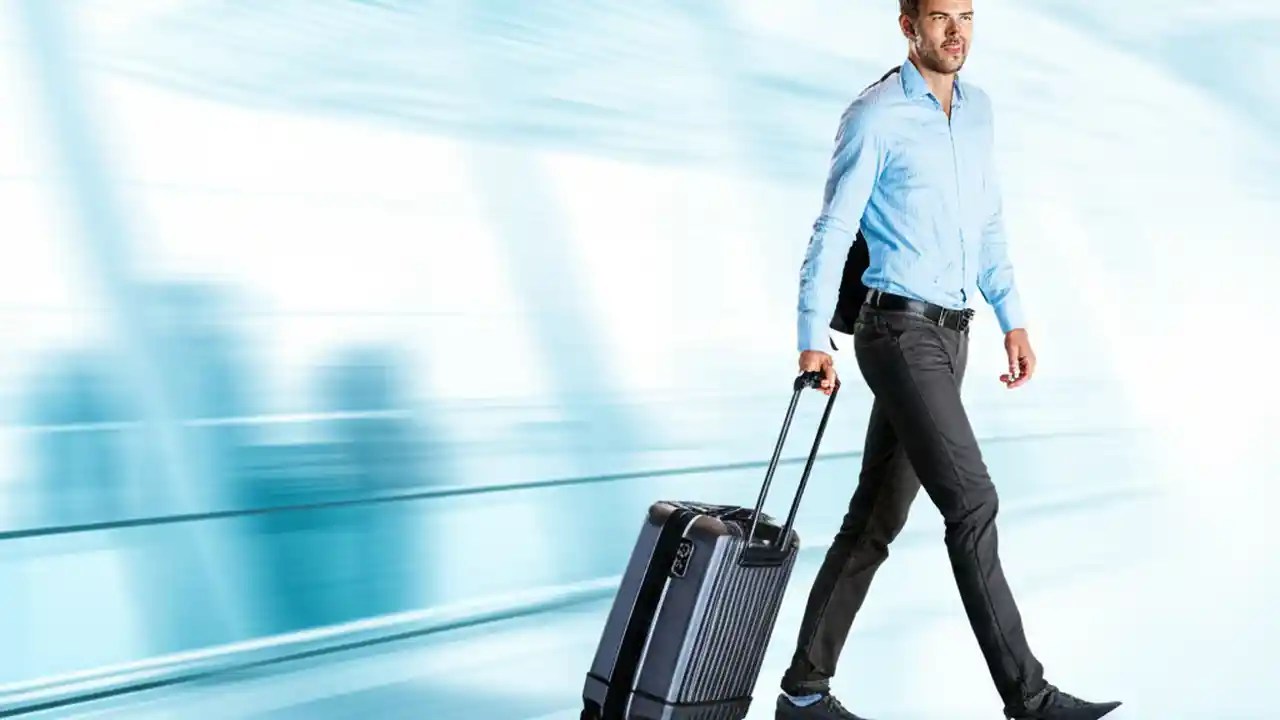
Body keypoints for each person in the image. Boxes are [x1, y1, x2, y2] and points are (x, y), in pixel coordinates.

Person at [774, 2, 1122, 719]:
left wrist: (1012, 318)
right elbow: (833, 226)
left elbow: (988, 221)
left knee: (875, 518)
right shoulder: (874, 116)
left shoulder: (980, 111)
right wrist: (813, 334)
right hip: (896, 333)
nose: (956, 31)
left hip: (953, 334)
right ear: (908, 26)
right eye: (940, 17)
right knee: (972, 503)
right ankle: (1029, 699)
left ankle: (803, 693)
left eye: (966, 15)